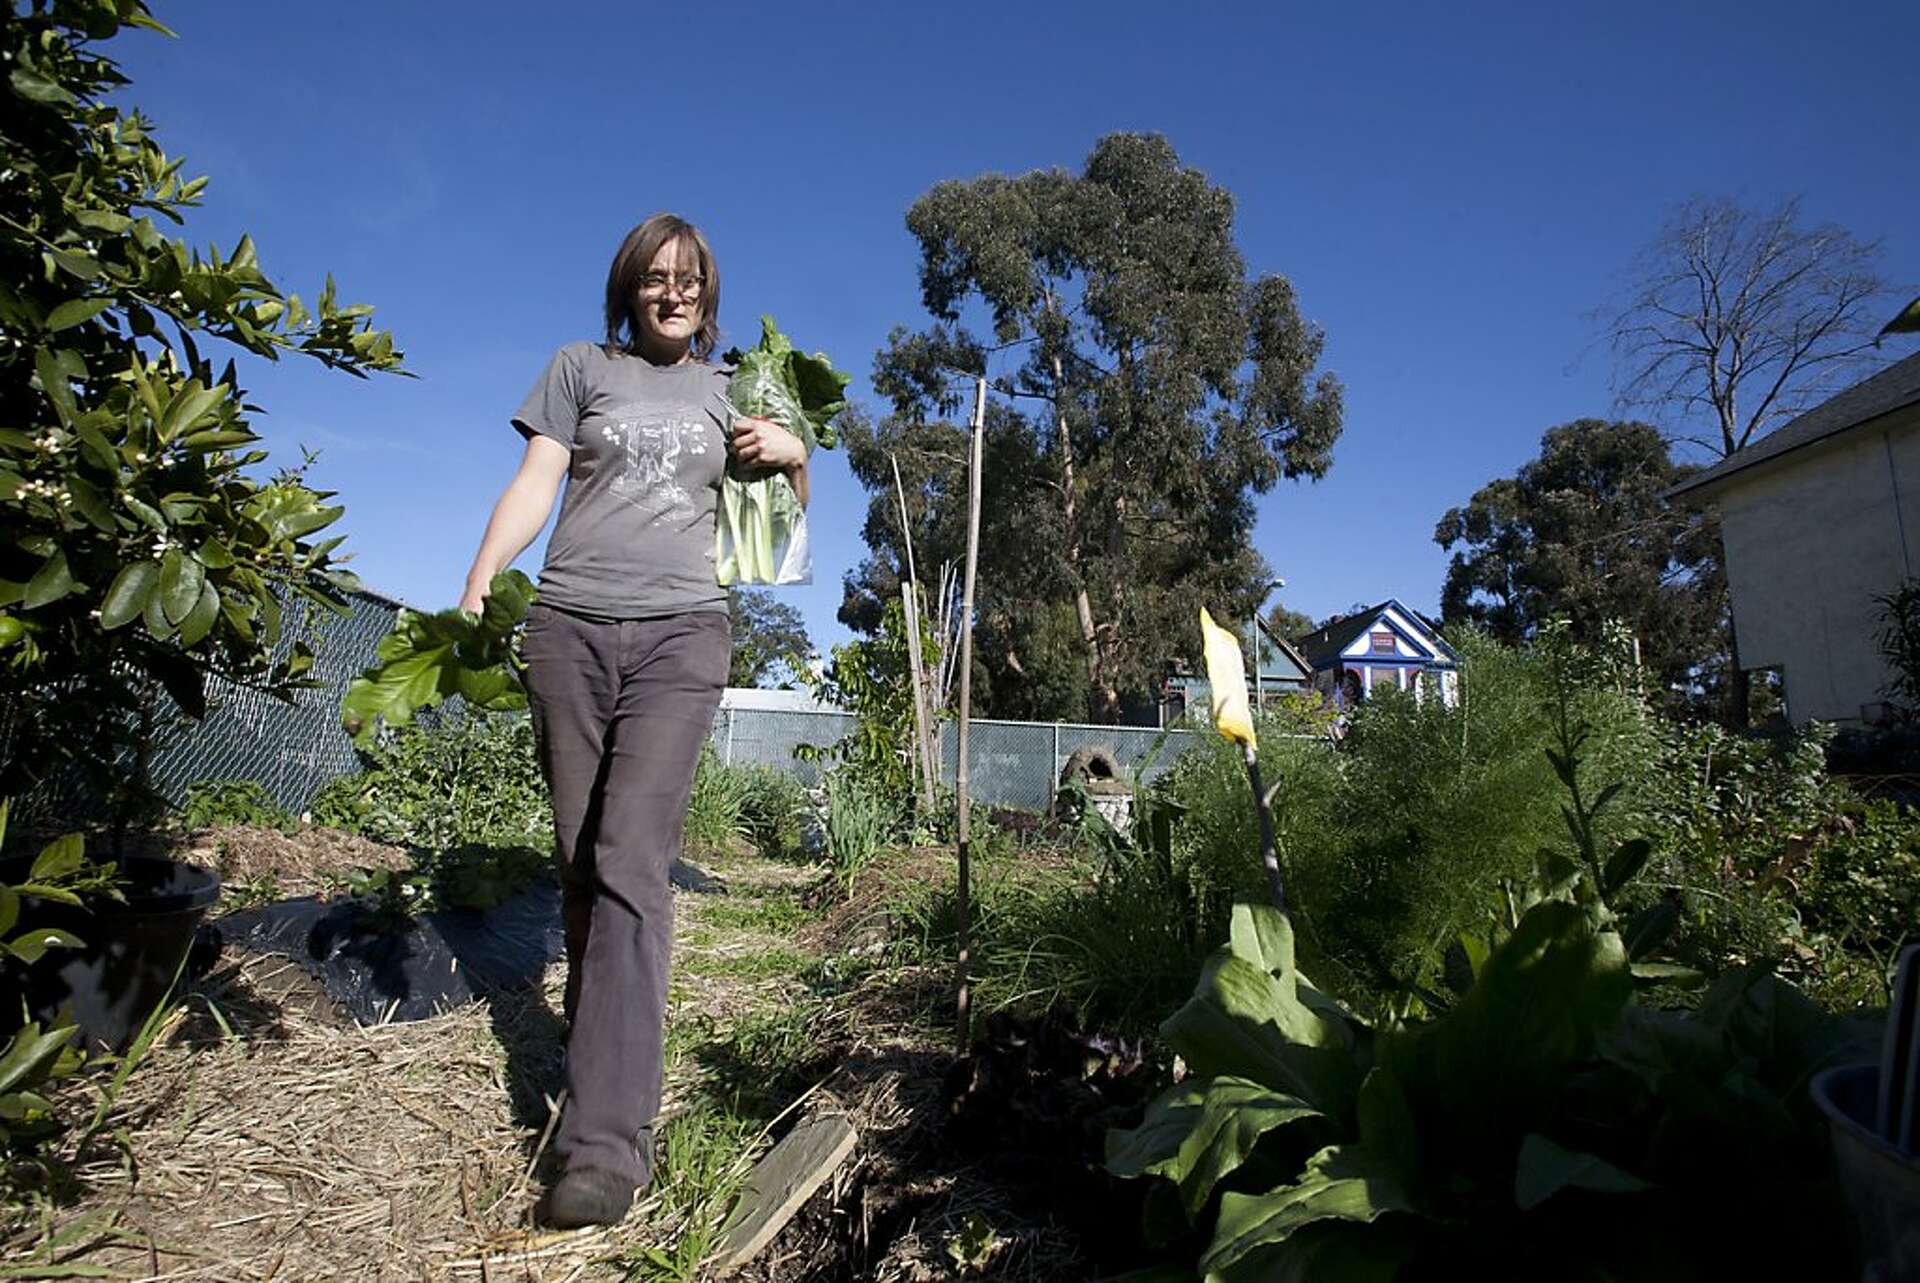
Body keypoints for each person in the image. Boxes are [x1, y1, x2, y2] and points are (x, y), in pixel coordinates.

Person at [459, 214, 809, 1227]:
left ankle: (606, 1144)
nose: (673, 292)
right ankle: (605, 1035)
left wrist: (796, 455)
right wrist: (485, 570)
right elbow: (539, 478)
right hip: (567, 625)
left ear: (708, 291)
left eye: (689, 278)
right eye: (655, 278)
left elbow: (783, 538)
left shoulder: (736, 388)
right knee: (581, 860)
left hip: (681, 636)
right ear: (629, 288)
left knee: (631, 856)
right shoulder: (580, 367)